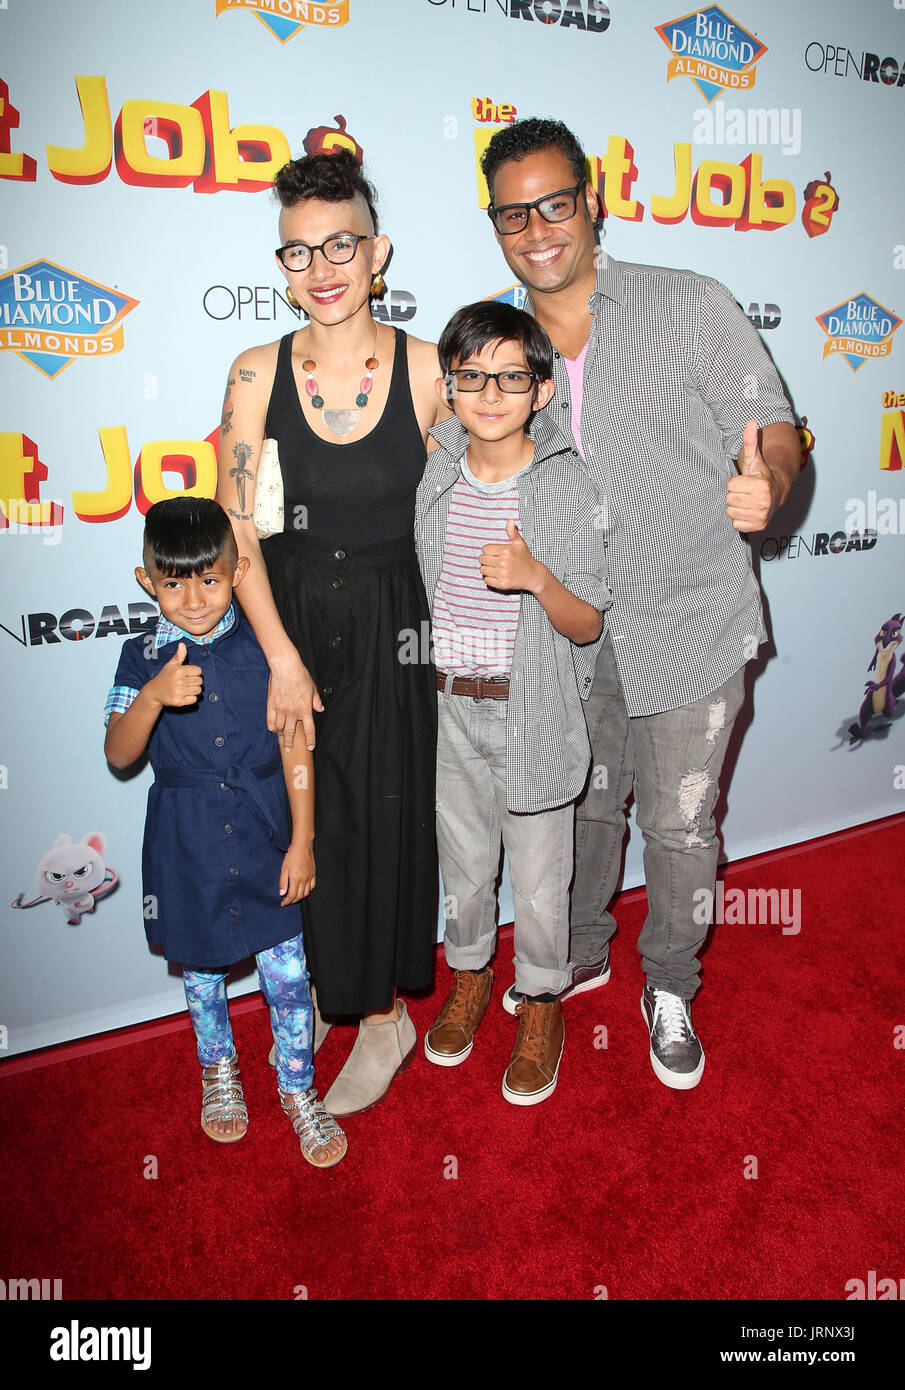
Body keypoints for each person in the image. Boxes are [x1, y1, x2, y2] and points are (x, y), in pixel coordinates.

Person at [480, 118, 801, 1089]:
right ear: (492, 224)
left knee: (676, 825)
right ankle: (579, 949)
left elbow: (772, 428)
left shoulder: (686, 304)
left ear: (590, 201)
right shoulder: (497, 337)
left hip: (689, 625)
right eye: (511, 213)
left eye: (553, 203)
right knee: (580, 810)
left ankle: (668, 981)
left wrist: (770, 486)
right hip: (568, 631)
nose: (535, 228)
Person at [216, 150, 449, 1117]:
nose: (322, 267)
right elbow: (238, 522)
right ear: (281, 264)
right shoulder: (254, 371)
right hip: (296, 611)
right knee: (310, 813)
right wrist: (276, 651)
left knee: (388, 814)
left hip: (402, 619)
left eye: (341, 243)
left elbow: (470, 505)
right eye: (299, 250)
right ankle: (319, 982)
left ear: (377, 249)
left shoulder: (432, 367)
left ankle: (385, 1015)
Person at [104, 497, 346, 1167]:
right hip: (187, 844)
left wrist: (302, 841)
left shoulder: (271, 650)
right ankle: (219, 1075)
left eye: (209, 579)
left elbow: (296, 746)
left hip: (267, 829)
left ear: (238, 571)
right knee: (202, 975)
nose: (193, 598)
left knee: (290, 980)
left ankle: (298, 1088)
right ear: (145, 580)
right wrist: (152, 695)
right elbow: (119, 755)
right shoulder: (136, 658)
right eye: (173, 581)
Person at [416, 301, 609, 1105]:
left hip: (530, 712)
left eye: (510, 377)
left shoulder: (564, 486)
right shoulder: (435, 469)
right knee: (462, 868)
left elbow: (588, 620)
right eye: (472, 377)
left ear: (540, 389)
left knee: (536, 880)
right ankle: (467, 976)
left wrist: (535, 577)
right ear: (450, 386)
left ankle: (540, 1001)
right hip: (446, 710)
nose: (490, 393)